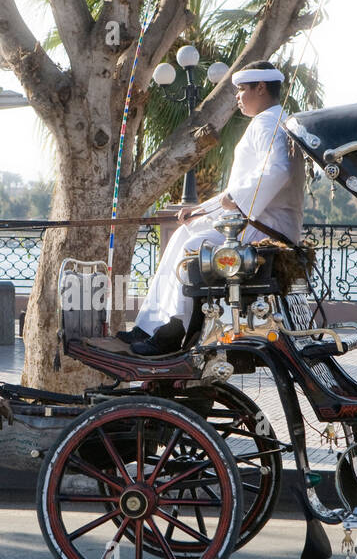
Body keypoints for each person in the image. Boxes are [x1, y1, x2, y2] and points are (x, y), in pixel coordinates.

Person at [121, 60, 305, 356]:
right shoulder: (273, 120)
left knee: (193, 247)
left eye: (242, 90)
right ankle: (151, 326)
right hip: (257, 224)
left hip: (265, 231)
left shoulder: (268, 122)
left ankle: (174, 330)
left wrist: (237, 200)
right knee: (185, 234)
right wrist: (200, 211)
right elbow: (239, 191)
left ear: (261, 88)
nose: (238, 97)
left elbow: (277, 172)